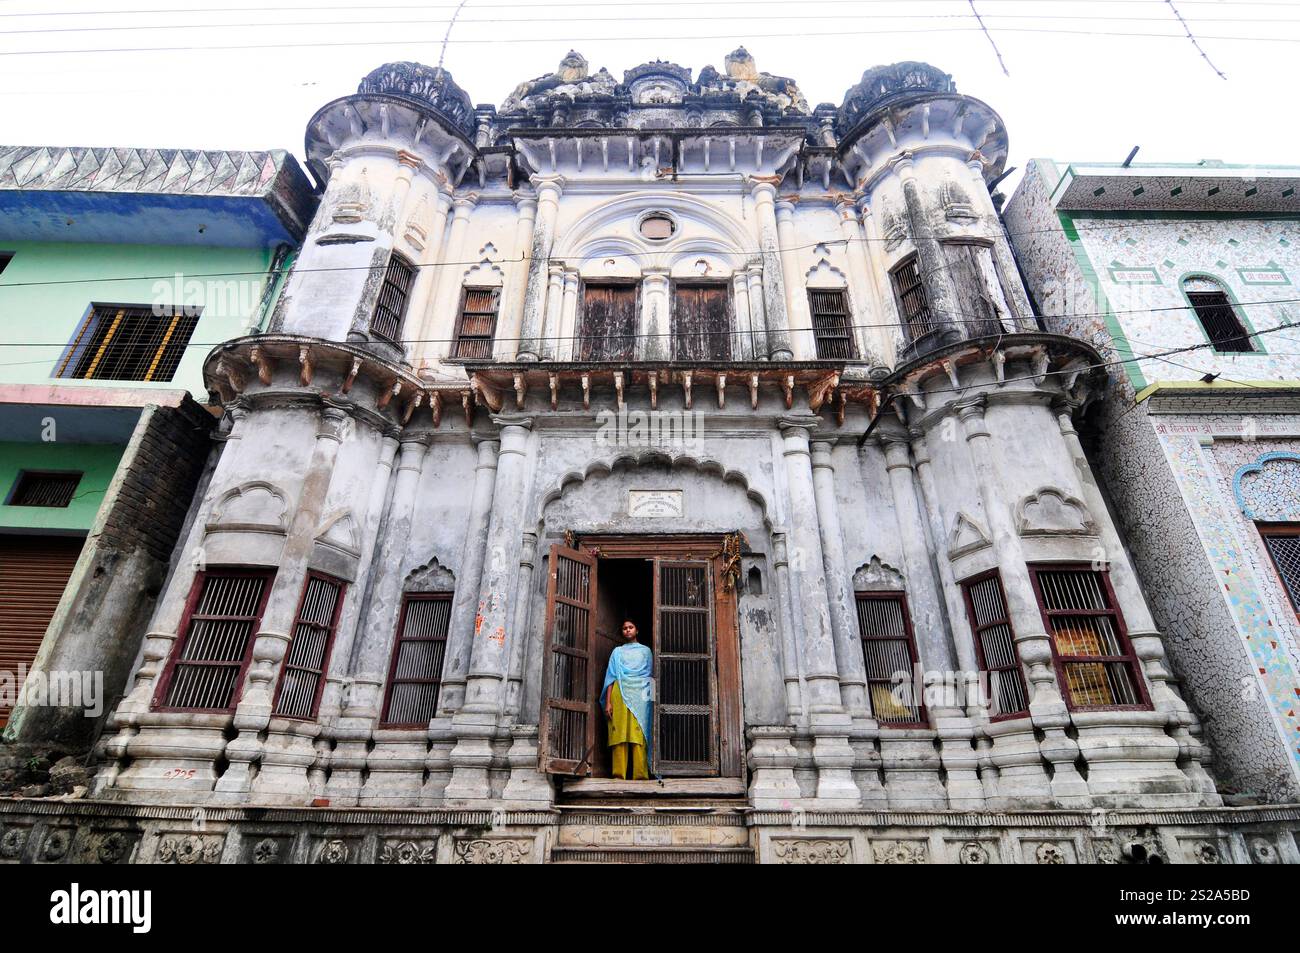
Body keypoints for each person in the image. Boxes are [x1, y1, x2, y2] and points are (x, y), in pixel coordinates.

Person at [601, 620, 653, 780]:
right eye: (624, 628)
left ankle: (640, 776)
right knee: (619, 735)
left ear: (637, 631)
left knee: (639, 735)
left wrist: (652, 702)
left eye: (631, 627)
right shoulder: (617, 652)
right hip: (620, 693)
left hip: (641, 696)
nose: (627, 630)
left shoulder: (646, 651)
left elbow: (650, 677)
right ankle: (618, 776)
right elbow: (611, 678)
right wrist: (608, 702)